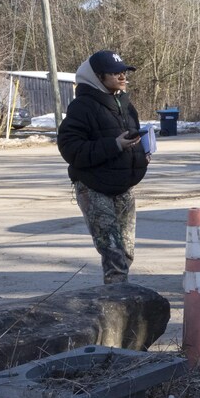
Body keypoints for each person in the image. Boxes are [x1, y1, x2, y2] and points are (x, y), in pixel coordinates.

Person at [57, 50, 149, 285]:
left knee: (126, 252)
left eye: (124, 72)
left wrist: (141, 155)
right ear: (98, 76)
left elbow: (130, 138)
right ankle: (118, 305)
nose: (122, 76)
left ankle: (121, 299)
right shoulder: (82, 106)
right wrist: (115, 145)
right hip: (94, 187)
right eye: (115, 72)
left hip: (123, 186)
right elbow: (71, 149)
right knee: (113, 253)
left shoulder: (126, 104)